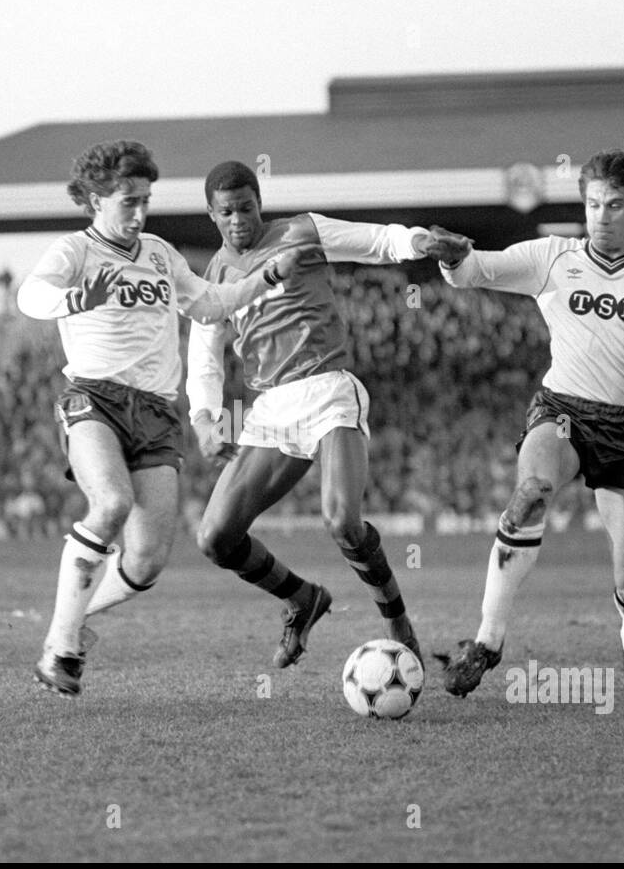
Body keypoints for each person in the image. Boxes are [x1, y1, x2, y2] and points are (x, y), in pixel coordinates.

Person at [17, 140, 321, 696]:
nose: (138, 213)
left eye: (145, 201)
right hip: (95, 400)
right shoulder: (74, 253)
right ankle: (60, 649)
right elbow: (31, 296)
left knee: (148, 561)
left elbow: (210, 303)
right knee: (110, 503)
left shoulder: (159, 252)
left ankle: (72, 626)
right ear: (95, 200)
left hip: (156, 413)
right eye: (127, 201)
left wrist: (270, 277)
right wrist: (76, 299)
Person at [432, 149, 624, 698]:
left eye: (615, 205)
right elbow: (475, 271)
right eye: (592, 204)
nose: (601, 215)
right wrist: (452, 258)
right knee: (530, 492)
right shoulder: (553, 257)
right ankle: (487, 642)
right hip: (564, 410)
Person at [187, 160, 467, 666]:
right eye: (226, 212)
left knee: (342, 521)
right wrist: (205, 419)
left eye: (246, 207)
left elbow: (376, 241)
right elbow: (203, 358)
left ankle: (400, 626)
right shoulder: (214, 277)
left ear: (259, 203)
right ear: (211, 214)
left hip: (329, 390)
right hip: (271, 409)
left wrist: (419, 242)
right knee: (214, 537)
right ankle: (302, 598)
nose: (238, 220)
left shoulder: (302, 232)